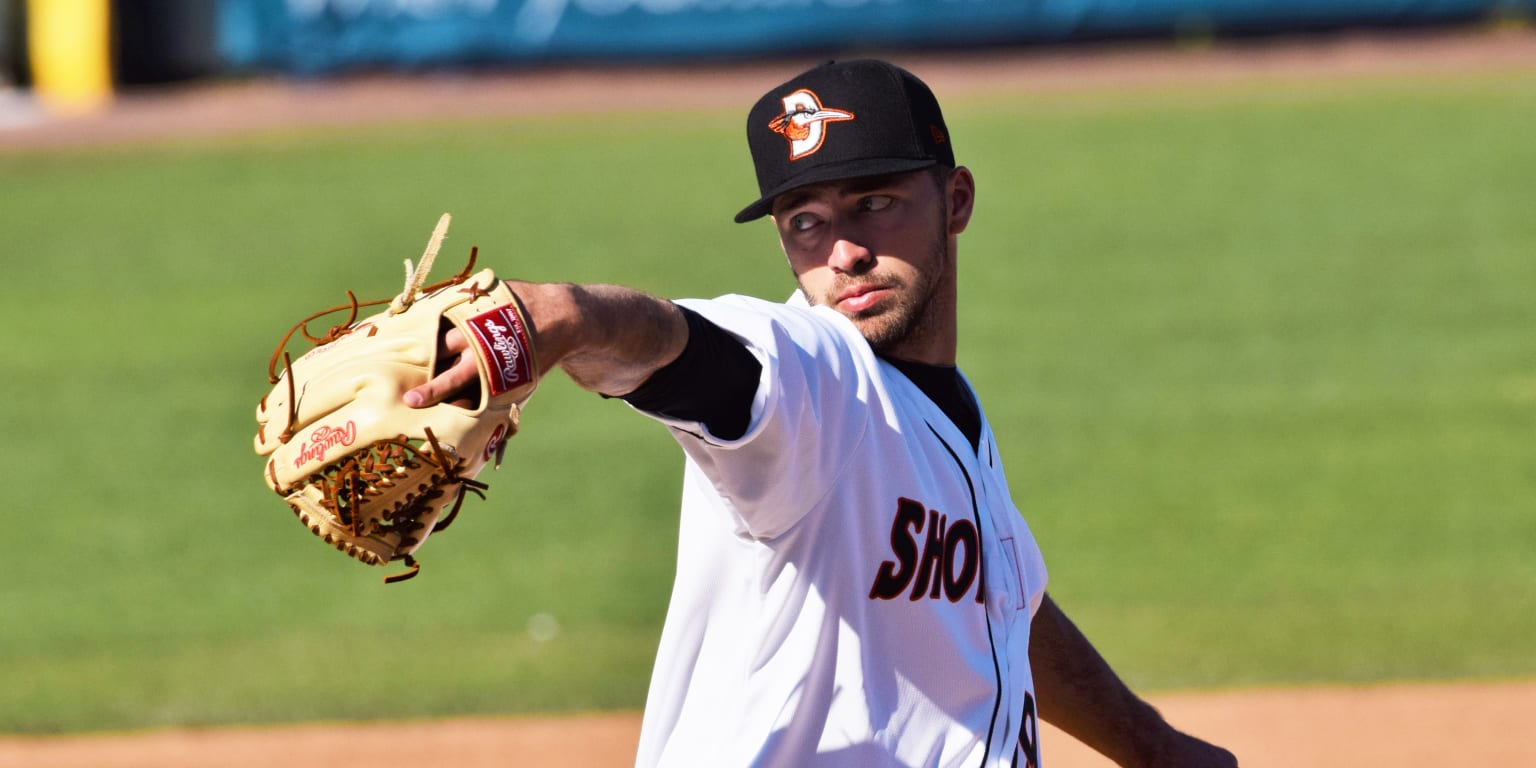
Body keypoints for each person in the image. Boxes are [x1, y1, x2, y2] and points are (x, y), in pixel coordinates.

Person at [406, 59, 1237, 767]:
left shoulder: (945, 413)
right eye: (805, 221)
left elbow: (1002, 601)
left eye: (873, 202)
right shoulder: (815, 376)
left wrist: (1151, 745)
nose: (842, 252)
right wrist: (570, 316)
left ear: (956, 201)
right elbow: (689, 349)